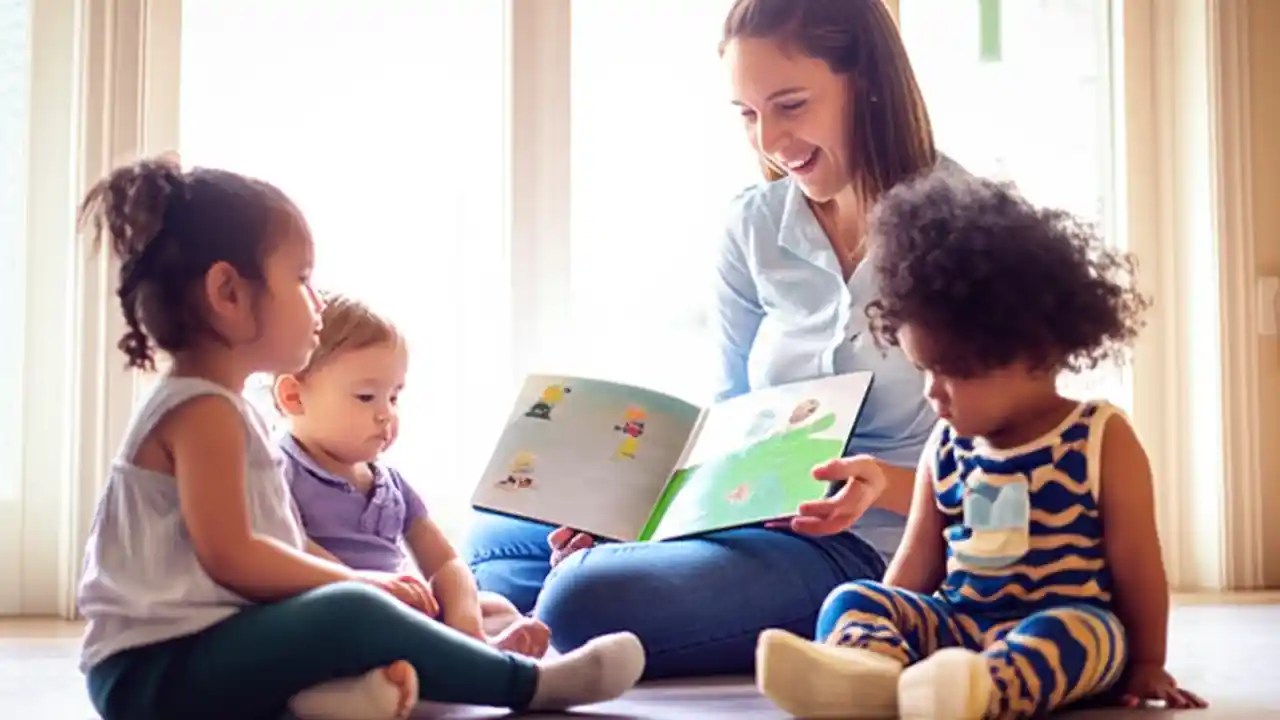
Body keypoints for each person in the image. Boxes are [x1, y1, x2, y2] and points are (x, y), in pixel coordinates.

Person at [465, 0, 945, 678]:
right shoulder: (753, 227)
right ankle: (549, 619)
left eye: (791, 104)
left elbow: (1004, 447)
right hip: (754, 515)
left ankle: (540, 621)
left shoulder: (962, 225)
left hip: (872, 542)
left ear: (864, 79)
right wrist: (642, 509)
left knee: (579, 594)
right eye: (748, 115)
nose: (770, 141)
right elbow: (734, 409)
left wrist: (880, 486)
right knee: (497, 527)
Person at [75, 157, 644, 720]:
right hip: (153, 674)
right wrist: (358, 582)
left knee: (357, 612)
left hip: (202, 652)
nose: (318, 303)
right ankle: (528, 684)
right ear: (228, 292)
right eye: (301, 280)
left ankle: (338, 699)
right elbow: (233, 556)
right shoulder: (202, 411)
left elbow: (275, 550)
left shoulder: (221, 408)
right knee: (350, 610)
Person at [756, 170, 1207, 719]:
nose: (933, 394)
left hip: (1057, 624)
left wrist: (1148, 661)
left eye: (952, 373)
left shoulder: (1100, 440)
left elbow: (1138, 564)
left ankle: (983, 692)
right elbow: (915, 566)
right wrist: (886, 616)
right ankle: (870, 678)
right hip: (957, 624)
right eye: (923, 370)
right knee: (852, 597)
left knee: (1088, 633)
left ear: (1037, 351)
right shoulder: (945, 446)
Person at [274, 292, 550, 658]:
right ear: (294, 397)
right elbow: (291, 551)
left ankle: (470, 649)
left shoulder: (389, 482)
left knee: (496, 606)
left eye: (394, 397)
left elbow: (446, 561)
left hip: (402, 605)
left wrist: (464, 623)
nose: (386, 414)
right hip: (338, 606)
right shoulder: (277, 470)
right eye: (366, 396)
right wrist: (370, 590)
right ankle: (453, 660)